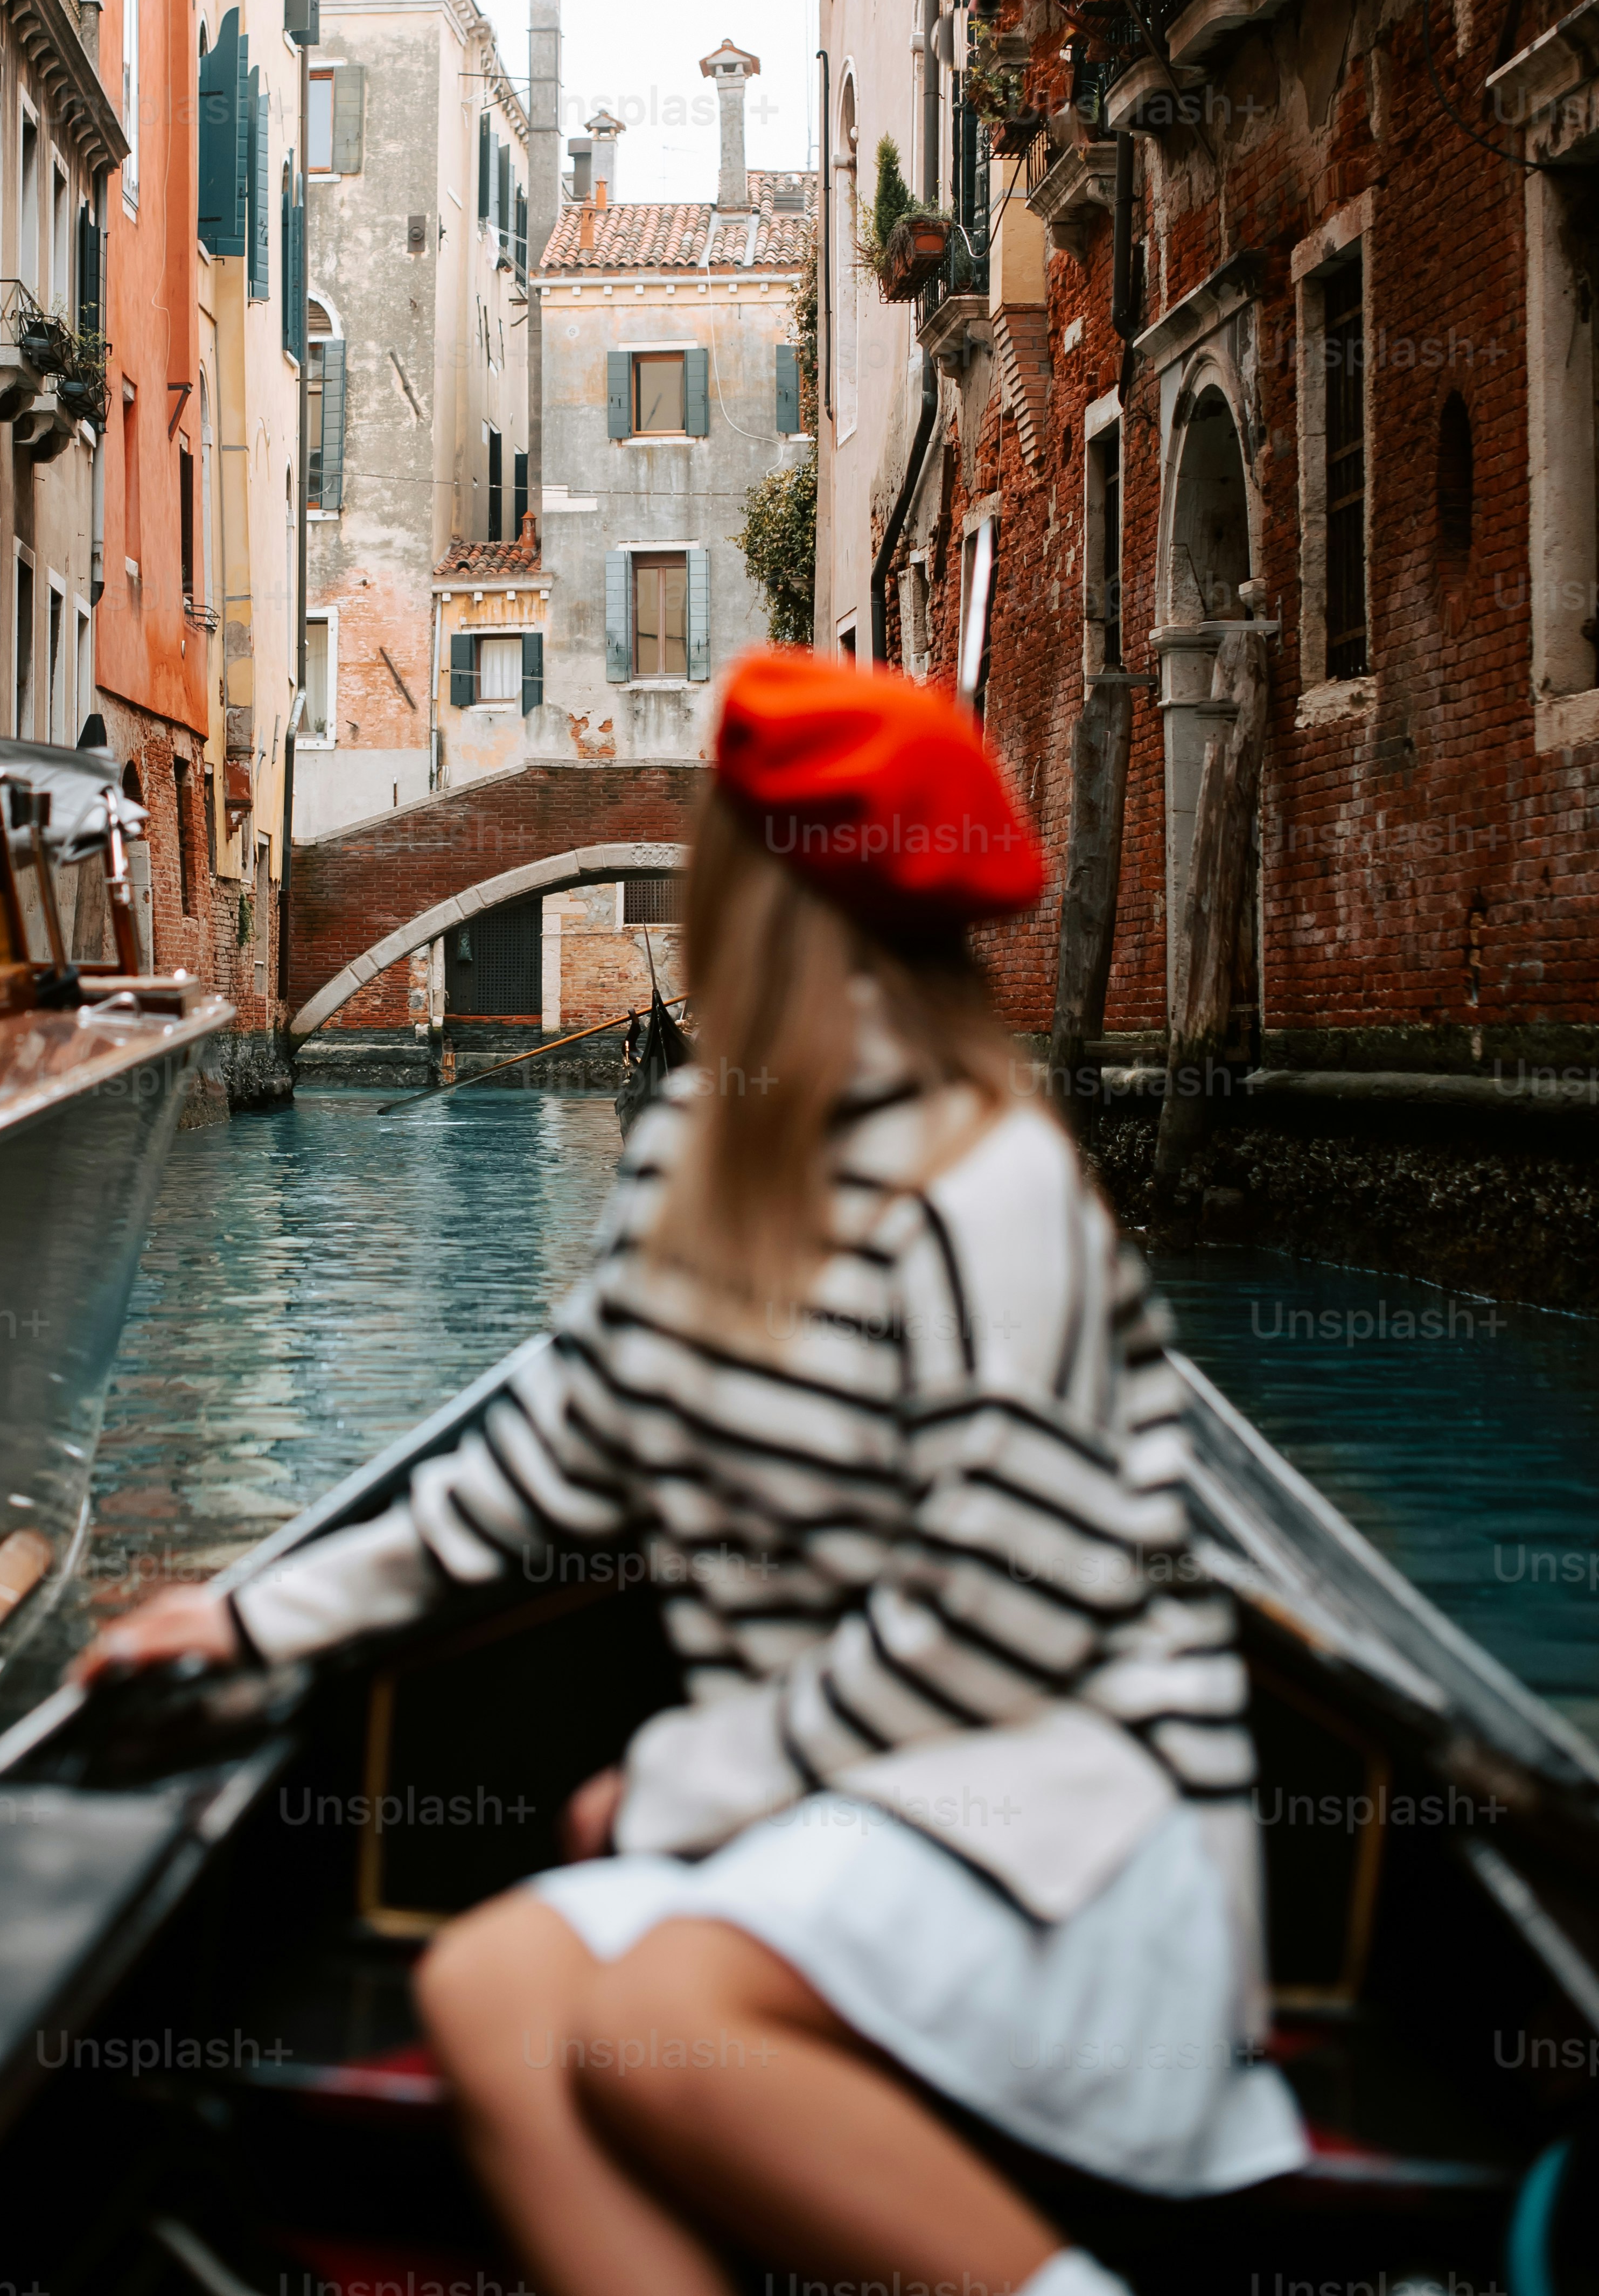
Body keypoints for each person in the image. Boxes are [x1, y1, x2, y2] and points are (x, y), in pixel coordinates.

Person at [82, 651, 1305, 2296]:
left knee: (655, 2023)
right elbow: (553, 1454)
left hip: (1056, 1818)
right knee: (495, 1991)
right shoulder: (697, 1150)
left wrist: (690, 1785)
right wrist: (253, 1620)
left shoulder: (986, 1179)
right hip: (832, 1806)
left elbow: (1000, 1613)